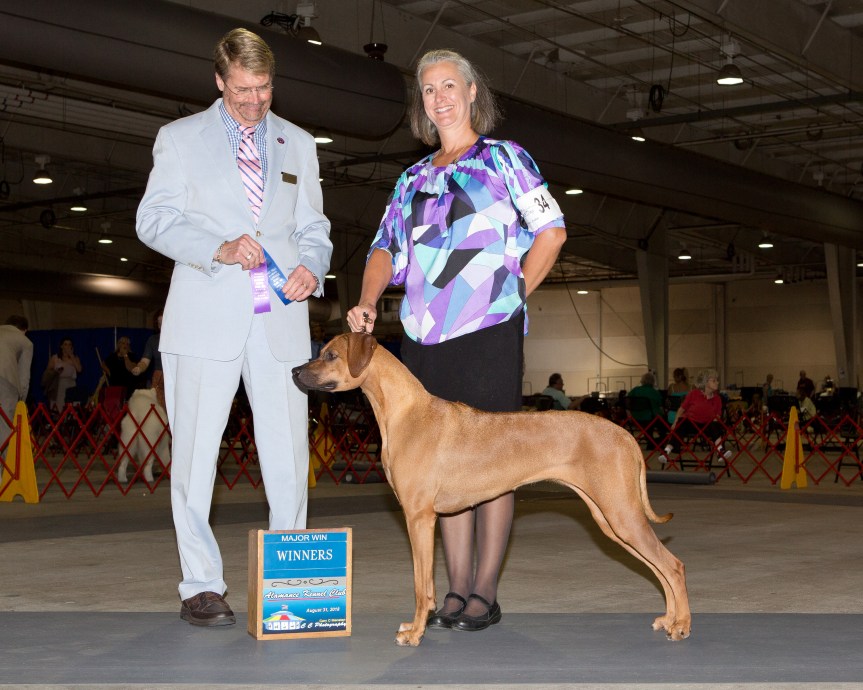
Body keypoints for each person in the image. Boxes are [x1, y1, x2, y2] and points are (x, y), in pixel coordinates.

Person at [346, 49, 566, 633]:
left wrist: (515, 292)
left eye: (449, 85)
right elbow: (383, 250)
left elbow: (552, 230)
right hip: (425, 335)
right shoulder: (411, 178)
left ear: (472, 92)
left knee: (494, 459)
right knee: (440, 463)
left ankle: (484, 592)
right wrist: (368, 301)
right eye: (427, 89)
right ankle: (455, 589)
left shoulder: (507, 159)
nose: (438, 97)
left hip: (488, 332)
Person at [136, 28, 332, 628]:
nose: (255, 101)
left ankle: (292, 578)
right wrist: (216, 248)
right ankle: (201, 583)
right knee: (195, 455)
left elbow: (315, 228)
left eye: (265, 88)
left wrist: (312, 269)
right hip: (205, 316)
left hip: (280, 319)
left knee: (288, 453)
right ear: (219, 81)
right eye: (243, 90)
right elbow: (153, 221)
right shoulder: (179, 140)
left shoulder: (297, 143)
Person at [660, 368, 732, 464]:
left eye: (717, 380)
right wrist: (675, 422)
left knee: (715, 424)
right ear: (705, 382)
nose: (717, 383)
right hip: (691, 424)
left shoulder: (717, 399)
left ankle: (720, 451)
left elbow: (718, 415)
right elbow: (681, 409)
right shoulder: (693, 394)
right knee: (681, 421)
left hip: (707, 426)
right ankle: (666, 451)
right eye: (714, 380)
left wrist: (716, 420)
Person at [0, 315, 33, 473]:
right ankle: (5, 473)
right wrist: (21, 401)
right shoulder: (25, 342)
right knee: (5, 425)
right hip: (5, 380)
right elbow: (24, 377)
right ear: (24, 330)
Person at [132, 309, 165, 409]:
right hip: (158, 378)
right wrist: (139, 368)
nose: (162, 326)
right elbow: (145, 361)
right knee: (158, 409)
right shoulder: (152, 340)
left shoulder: (179, 339)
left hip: (175, 377)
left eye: (164, 322)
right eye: (159, 324)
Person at [100, 336, 143, 400]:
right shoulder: (113, 356)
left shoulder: (132, 356)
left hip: (128, 387)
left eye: (127, 344)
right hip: (115, 387)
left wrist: (125, 355)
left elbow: (131, 368)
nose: (125, 345)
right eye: (123, 343)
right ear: (119, 344)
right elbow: (103, 364)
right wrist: (108, 371)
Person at [47, 337, 82, 412]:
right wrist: (55, 373)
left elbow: (79, 369)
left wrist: (71, 356)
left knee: (72, 406)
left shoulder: (75, 358)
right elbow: (48, 371)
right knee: (59, 406)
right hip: (58, 385)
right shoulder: (55, 358)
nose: (67, 346)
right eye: (65, 344)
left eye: (69, 344)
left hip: (71, 384)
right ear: (61, 346)